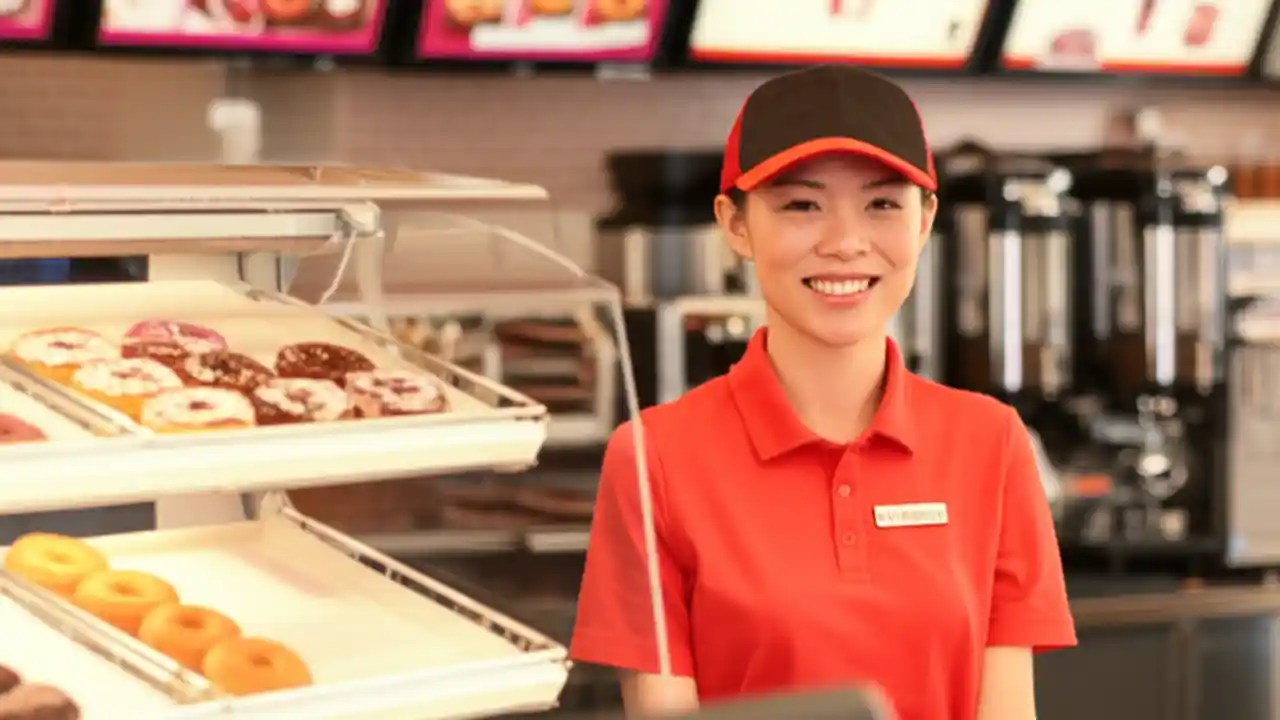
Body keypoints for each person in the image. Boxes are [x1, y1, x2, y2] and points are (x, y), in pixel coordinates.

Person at [570, 65, 1077, 720]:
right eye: (801, 205)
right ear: (735, 224)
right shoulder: (653, 459)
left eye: (882, 204)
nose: (845, 243)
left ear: (925, 220)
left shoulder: (993, 442)